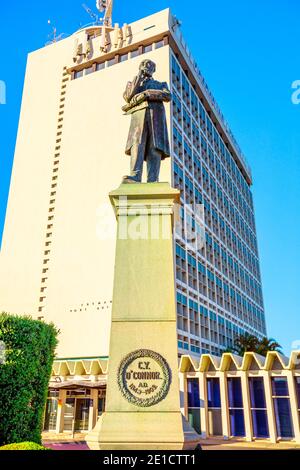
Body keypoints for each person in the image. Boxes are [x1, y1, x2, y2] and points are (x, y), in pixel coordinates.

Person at [122, 60, 171, 183]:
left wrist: (147, 94)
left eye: (150, 66)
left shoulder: (160, 84)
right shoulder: (133, 84)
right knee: (137, 145)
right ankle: (135, 175)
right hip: (138, 118)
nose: (146, 67)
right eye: (144, 65)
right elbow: (128, 96)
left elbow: (167, 95)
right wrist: (138, 77)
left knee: (155, 147)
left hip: (156, 118)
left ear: (154, 70)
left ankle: (153, 179)